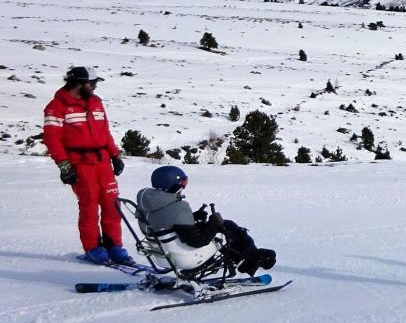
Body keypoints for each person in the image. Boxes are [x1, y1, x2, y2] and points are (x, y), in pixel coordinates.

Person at [43, 66, 132, 265]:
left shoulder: (96, 103)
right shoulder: (56, 107)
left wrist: (115, 155)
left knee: (112, 204)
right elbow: (52, 139)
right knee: (89, 206)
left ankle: (114, 246)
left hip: (102, 162)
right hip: (80, 164)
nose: (95, 87)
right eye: (92, 83)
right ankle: (93, 248)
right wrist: (65, 166)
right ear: (80, 83)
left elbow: (105, 132)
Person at [136, 166, 276, 276]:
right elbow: (198, 241)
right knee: (227, 228)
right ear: (173, 184)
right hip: (184, 257)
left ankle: (249, 259)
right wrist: (213, 223)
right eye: (182, 183)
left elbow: (167, 220)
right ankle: (254, 259)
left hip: (162, 256)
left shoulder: (147, 205)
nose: (183, 187)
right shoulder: (179, 207)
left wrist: (193, 217)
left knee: (226, 225)